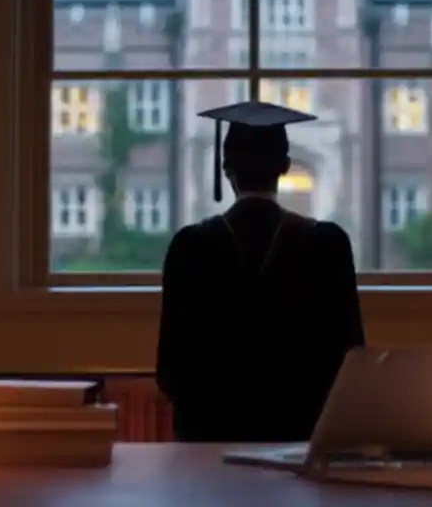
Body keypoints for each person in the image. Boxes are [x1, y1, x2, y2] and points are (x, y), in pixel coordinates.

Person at [156, 101, 365, 442]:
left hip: (208, 441)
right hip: (300, 437)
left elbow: (170, 373)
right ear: (284, 165)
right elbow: (352, 358)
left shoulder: (190, 247)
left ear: (226, 168)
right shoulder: (328, 245)